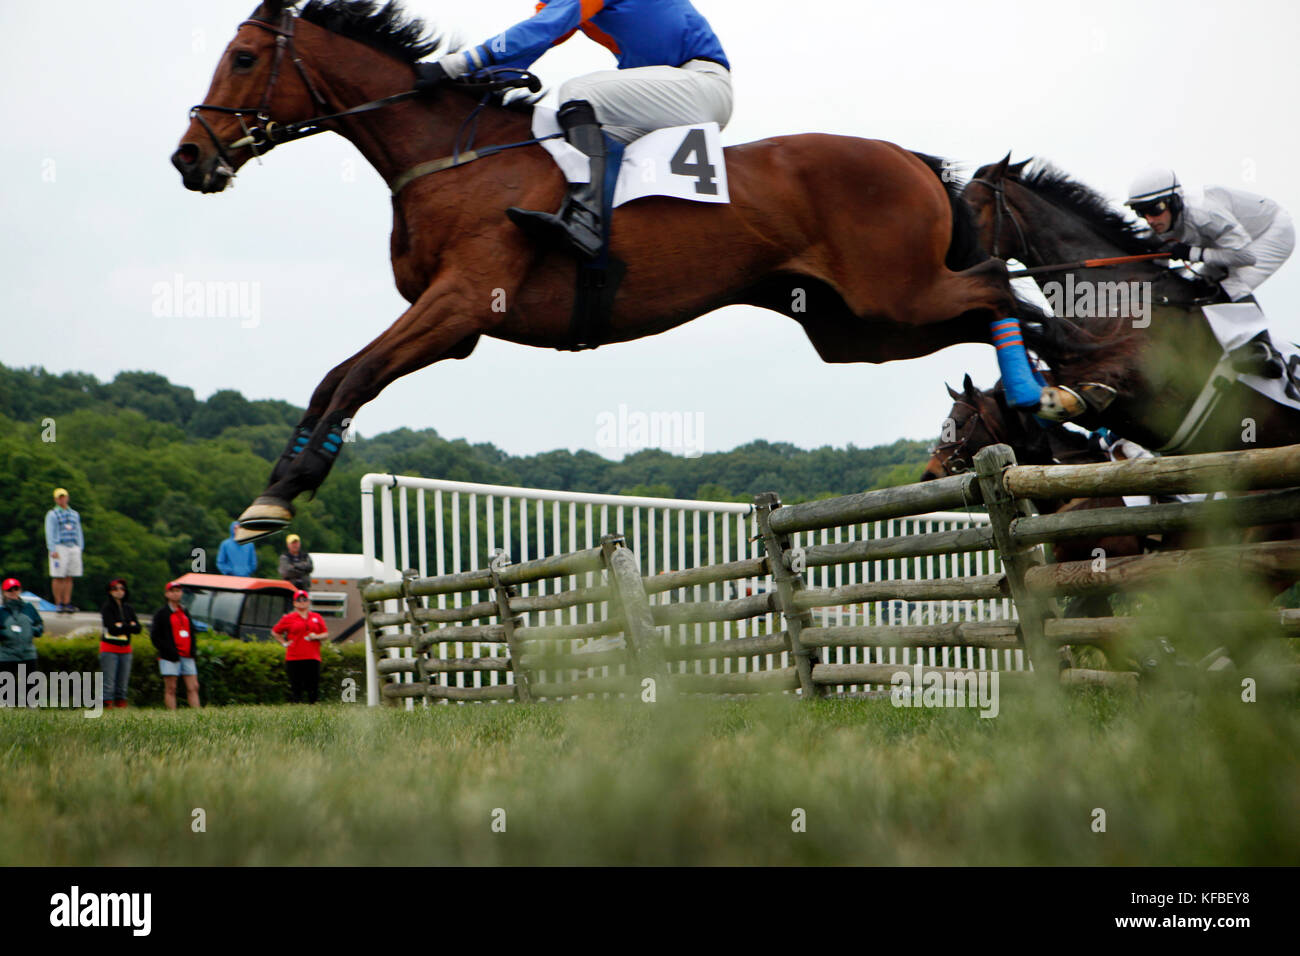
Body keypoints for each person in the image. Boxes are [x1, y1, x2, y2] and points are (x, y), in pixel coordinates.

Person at [415, 0, 733, 258]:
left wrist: (454, 64)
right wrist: (468, 79)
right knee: (564, 137)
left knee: (578, 93)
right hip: (673, 96)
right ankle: (599, 236)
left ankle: (585, 222)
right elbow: (535, 42)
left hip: (699, 86)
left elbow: (544, 28)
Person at [1126, 168, 1295, 303]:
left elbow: (1246, 257)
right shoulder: (1163, 221)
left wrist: (1192, 253)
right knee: (1194, 284)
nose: (1149, 219)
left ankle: (1261, 345)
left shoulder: (1205, 214)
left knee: (1229, 285)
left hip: (1272, 231)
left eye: (1155, 209)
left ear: (1174, 201)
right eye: (1141, 212)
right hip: (1229, 243)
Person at [149, 581, 201, 710]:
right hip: (170, 656)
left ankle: (197, 712)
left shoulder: (184, 611)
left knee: (193, 686)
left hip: (187, 654)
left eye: (178, 591)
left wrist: (193, 649)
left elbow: (191, 632)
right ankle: (172, 713)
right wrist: (167, 650)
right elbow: (155, 636)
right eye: (172, 591)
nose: (176, 594)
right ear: (167, 594)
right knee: (171, 687)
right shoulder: (161, 613)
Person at [271, 589, 328, 704]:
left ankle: (313, 707)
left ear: (308, 602)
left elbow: (325, 634)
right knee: (296, 686)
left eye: (304, 600)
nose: (302, 602)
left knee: (313, 685)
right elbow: (275, 632)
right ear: (294, 603)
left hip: (312, 656)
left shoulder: (316, 617)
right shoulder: (288, 618)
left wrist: (316, 636)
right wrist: (284, 642)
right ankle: (297, 708)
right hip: (294, 657)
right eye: (299, 600)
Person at [99, 579, 141, 710]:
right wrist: (129, 626)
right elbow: (112, 628)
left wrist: (122, 625)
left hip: (126, 649)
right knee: (109, 681)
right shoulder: (107, 608)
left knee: (123, 682)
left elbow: (138, 628)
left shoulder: (129, 608)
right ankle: (107, 705)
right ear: (110, 592)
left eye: (122, 589)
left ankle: (121, 705)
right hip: (109, 649)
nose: (119, 592)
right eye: (115, 589)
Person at [44, 487, 84, 613]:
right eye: (59, 497)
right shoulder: (52, 514)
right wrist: (52, 548)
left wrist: (80, 546)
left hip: (73, 545)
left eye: (63, 497)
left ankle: (67, 602)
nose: (62, 499)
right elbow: (49, 531)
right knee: (58, 575)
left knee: (69, 575)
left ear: (67, 497)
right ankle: (59, 603)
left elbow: (78, 530)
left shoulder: (74, 514)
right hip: (59, 546)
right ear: (56, 499)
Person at [0, 578, 42, 693]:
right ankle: (6, 707)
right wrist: (4, 633)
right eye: (9, 590)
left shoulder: (29, 608)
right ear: (4, 592)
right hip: (7, 653)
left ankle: (31, 706)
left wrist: (31, 631)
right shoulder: (1, 611)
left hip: (28, 652)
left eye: (16, 589)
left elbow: (39, 626)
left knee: (31, 685)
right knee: (6, 686)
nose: (13, 592)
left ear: (20, 590)